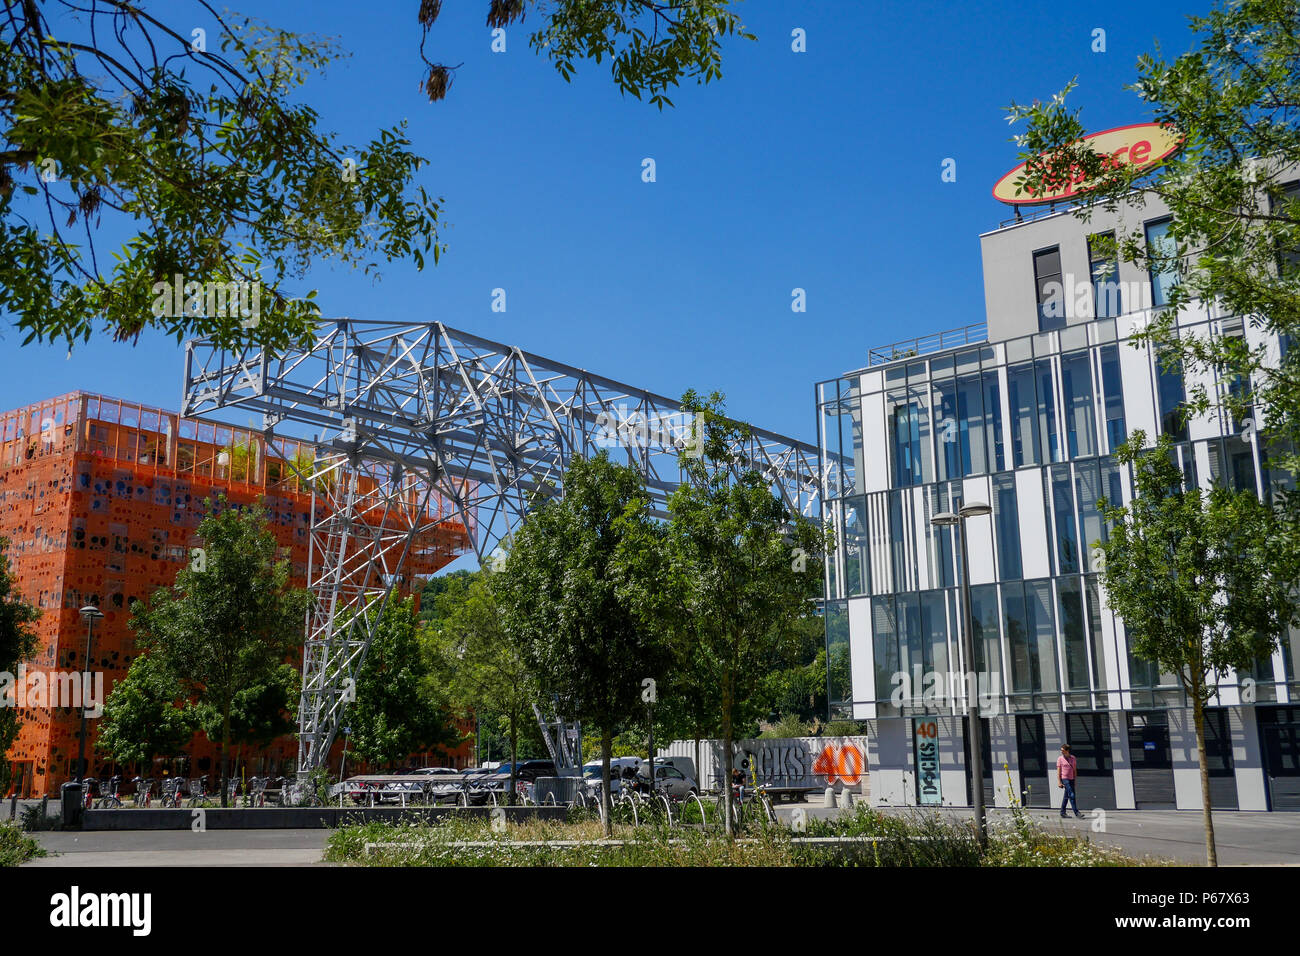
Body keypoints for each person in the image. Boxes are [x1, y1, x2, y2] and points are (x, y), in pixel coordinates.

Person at [1057, 744, 1081, 818]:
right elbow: (1058, 772)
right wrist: (1059, 782)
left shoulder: (1073, 758)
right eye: (1061, 750)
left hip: (1071, 779)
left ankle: (1062, 812)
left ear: (1067, 751)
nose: (1061, 752)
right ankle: (1077, 813)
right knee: (1071, 795)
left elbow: (1074, 770)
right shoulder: (1060, 759)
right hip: (1065, 779)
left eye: (1063, 750)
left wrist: (1075, 780)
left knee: (1066, 796)